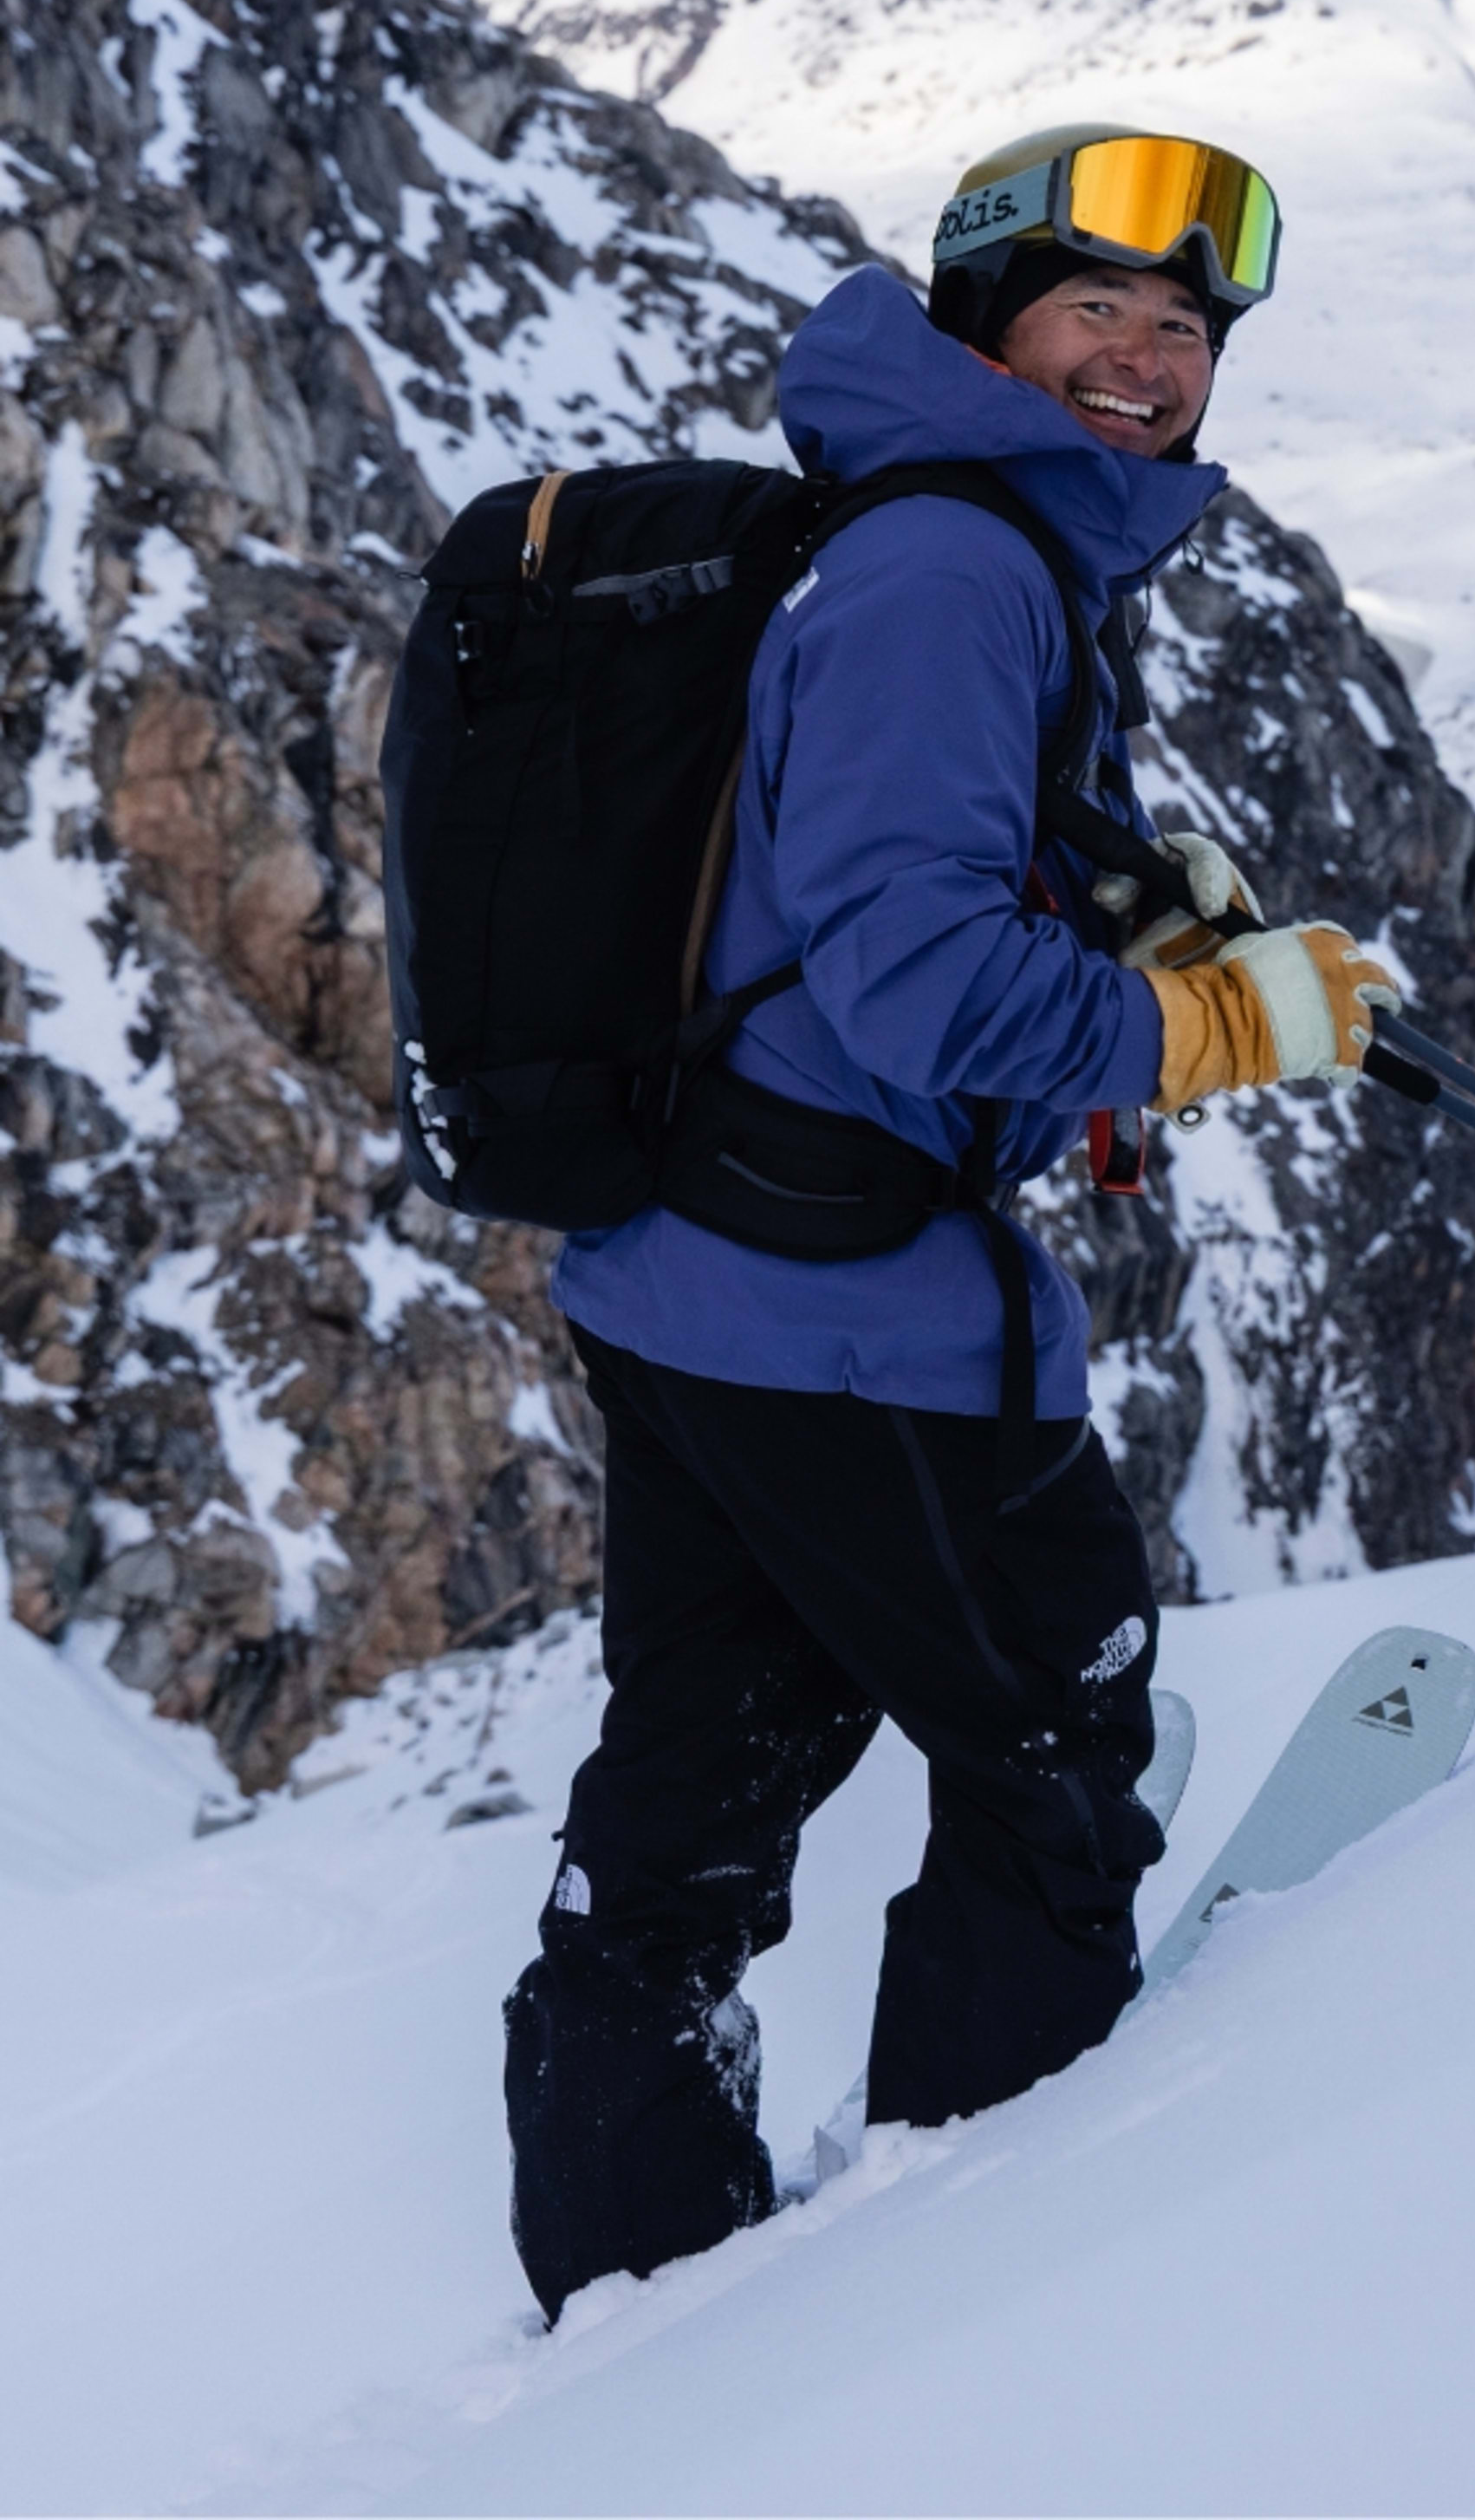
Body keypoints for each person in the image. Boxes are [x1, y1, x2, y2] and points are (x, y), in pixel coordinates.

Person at [502, 123, 1395, 2321]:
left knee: (696, 1784)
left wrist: (1106, 887)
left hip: (688, 1259)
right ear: (990, 319)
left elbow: (845, 889)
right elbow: (912, 979)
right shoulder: (956, 573)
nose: (1147, 359)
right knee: (1055, 1747)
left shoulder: (930, 527)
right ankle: (991, 2255)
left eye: (1187, 328)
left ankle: (634, 2281)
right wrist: (1210, 1022)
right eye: (1096, 308)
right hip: (843, 1311)